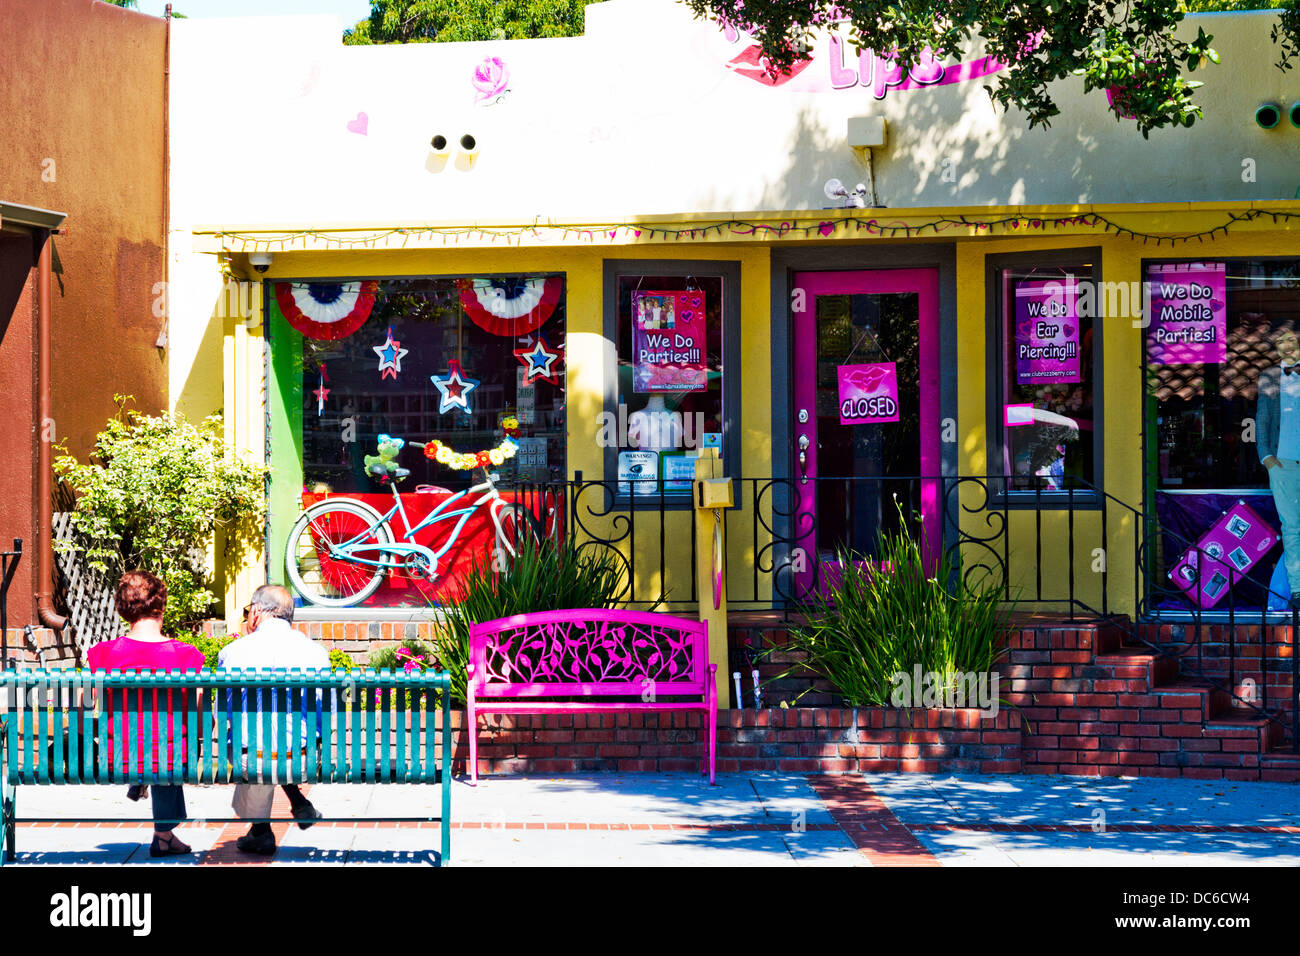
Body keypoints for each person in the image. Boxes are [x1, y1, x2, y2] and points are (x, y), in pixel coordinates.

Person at [86, 570, 204, 858]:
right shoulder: (185, 655)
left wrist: (91, 737)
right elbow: (198, 711)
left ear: (123, 610)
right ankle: (163, 835)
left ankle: (143, 789)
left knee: (148, 745)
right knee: (171, 746)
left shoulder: (103, 654)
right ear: (161, 606)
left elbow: (85, 704)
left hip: (117, 757)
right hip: (173, 756)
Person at [218, 584, 328, 855]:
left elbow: (226, 713)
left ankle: (261, 829)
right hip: (303, 758)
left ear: (255, 612)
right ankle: (295, 802)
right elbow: (325, 713)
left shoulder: (233, 653)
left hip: (250, 759)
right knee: (280, 744)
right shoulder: (316, 654)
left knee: (253, 745)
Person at [1257, 327, 1300, 608]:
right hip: (1282, 463)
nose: (1286, 346)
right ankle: (1297, 591)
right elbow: (1261, 419)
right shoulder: (1269, 376)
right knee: (1293, 527)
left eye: (1292, 341)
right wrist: (1267, 458)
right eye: (1280, 342)